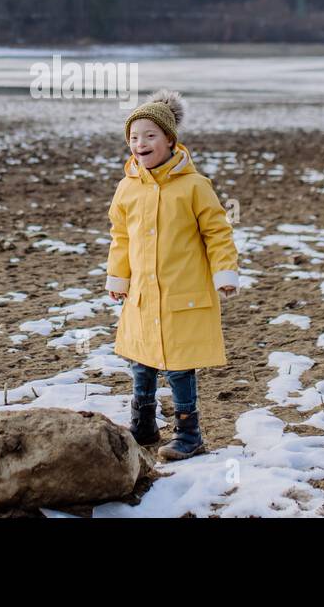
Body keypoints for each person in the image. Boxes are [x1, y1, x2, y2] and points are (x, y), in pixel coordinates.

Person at [105, 89, 239, 461]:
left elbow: (217, 231)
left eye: (149, 135)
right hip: (143, 294)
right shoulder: (127, 188)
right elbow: (120, 236)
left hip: (184, 292)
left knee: (179, 365)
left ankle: (189, 433)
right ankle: (143, 424)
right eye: (133, 137)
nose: (140, 143)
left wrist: (224, 272)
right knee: (141, 359)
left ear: (169, 139)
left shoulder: (194, 186)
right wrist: (119, 277)